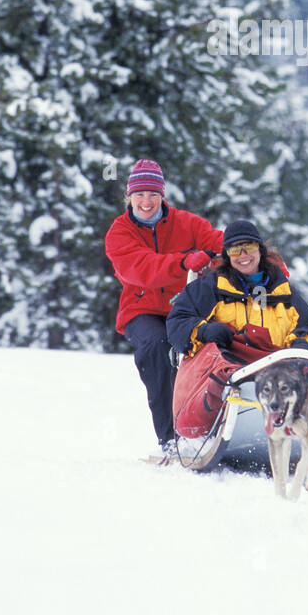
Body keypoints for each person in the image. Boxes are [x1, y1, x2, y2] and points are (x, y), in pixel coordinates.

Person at [105, 160, 223, 456]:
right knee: (157, 348)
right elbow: (140, 268)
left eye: (153, 194)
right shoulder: (119, 232)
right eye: (140, 194)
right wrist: (184, 260)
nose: (146, 202)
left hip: (184, 308)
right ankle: (170, 438)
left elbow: (221, 243)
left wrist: (256, 255)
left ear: (163, 195)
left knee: (214, 342)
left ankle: (216, 423)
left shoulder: (189, 223)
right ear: (129, 196)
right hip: (142, 310)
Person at [166, 218, 308, 363]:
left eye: (249, 247)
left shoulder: (282, 291)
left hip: (277, 373)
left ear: (260, 250)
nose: (243, 255)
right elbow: (178, 321)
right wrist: (204, 331)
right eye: (235, 249)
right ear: (227, 256)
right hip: (225, 374)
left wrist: (301, 343)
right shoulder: (211, 287)